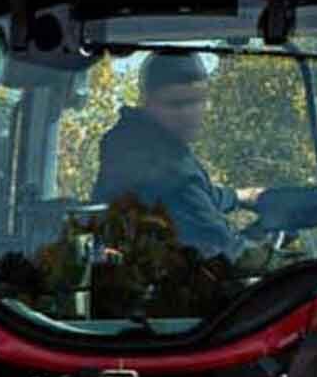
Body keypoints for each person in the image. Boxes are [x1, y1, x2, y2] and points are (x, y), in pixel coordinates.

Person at [91, 51, 263, 258]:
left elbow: (197, 195)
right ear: (146, 101)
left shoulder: (133, 142)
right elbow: (228, 255)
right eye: (176, 104)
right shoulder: (164, 166)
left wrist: (240, 196)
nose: (190, 113)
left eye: (198, 100)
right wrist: (273, 247)